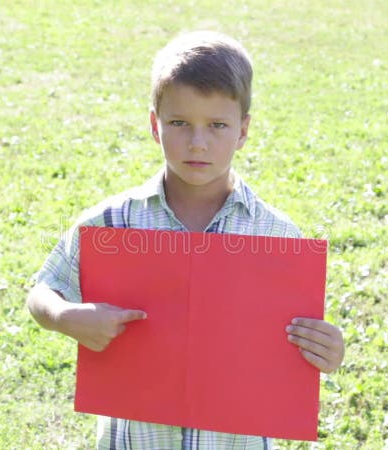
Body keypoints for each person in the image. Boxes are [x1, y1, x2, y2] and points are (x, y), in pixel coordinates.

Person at [27, 30, 345, 450]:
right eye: (180, 123)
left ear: (244, 130)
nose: (198, 142)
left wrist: (329, 350)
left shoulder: (277, 237)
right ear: (155, 126)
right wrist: (65, 316)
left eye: (217, 125)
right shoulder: (111, 223)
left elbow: (299, 342)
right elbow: (42, 291)